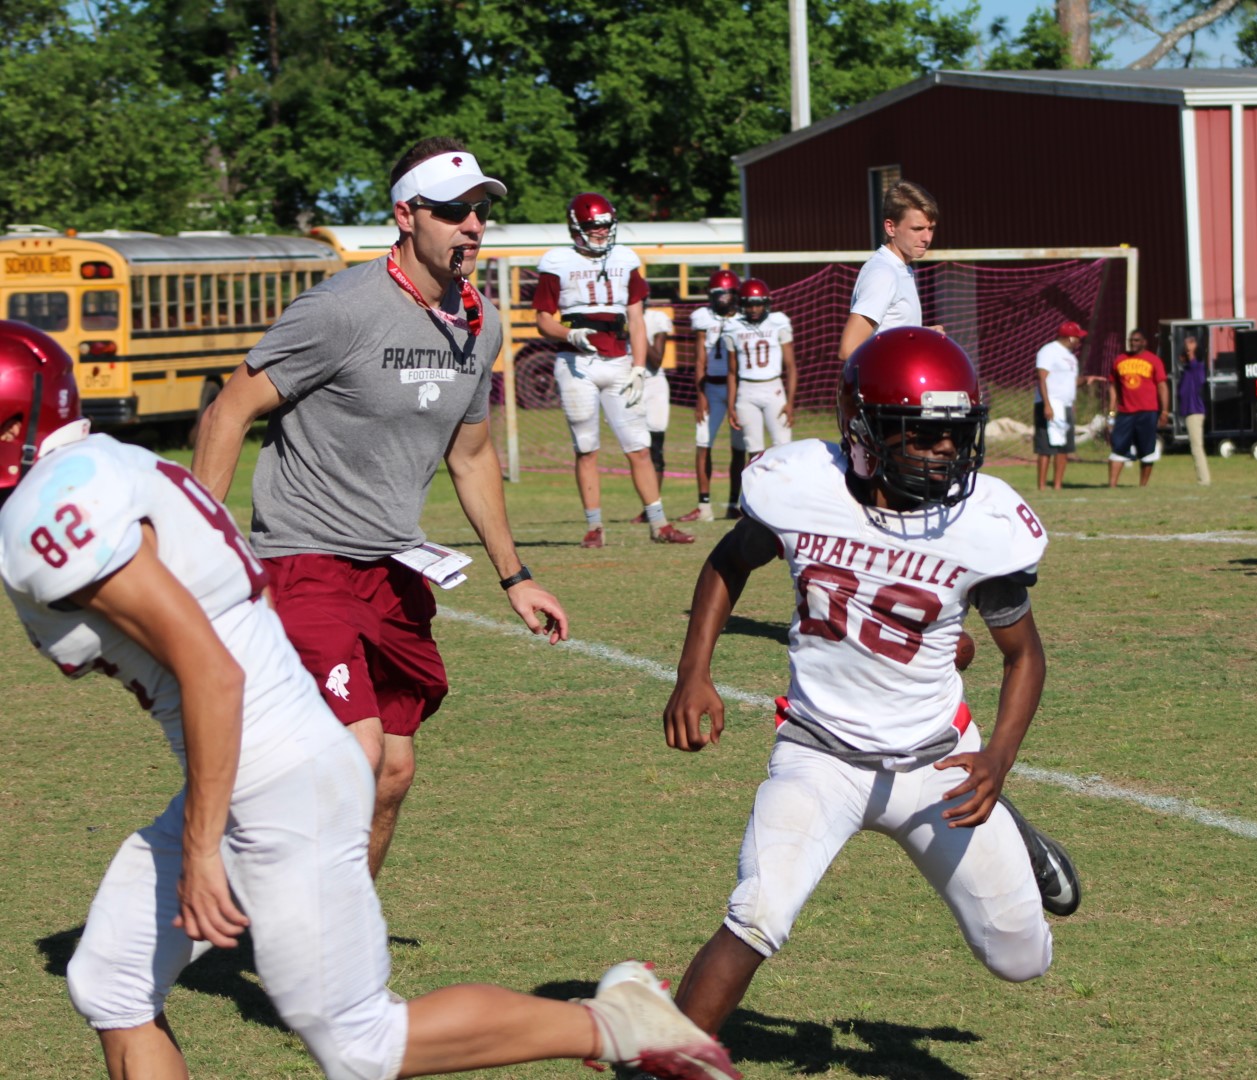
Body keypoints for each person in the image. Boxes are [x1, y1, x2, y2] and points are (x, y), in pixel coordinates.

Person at [0, 321, 739, 1080]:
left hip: (272, 777)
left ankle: (615, 1022)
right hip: (268, 758)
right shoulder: (111, 465)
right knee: (112, 982)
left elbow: (211, 671)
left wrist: (200, 846)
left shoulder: (51, 511)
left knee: (359, 1043)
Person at [661, 327, 1081, 1040]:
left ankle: (1018, 833)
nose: (948, 452)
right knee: (757, 913)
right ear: (863, 431)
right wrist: (692, 673)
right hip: (820, 755)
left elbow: (1025, 657)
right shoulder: (806, 487)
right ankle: (657, 1054)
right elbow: (729, 561)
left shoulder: (982, 524)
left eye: (956, 434)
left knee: (1021, 958)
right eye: (924, 434)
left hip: (936, 763)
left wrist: (997, 760)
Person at [193, 138, 569, 881]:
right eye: (454, 211)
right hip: (303, 558)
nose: (473, 225)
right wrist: (203, 552)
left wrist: (515, 575)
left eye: (481, 211)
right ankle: (286, 916)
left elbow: (470, 456)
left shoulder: (480, 325)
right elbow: (226, 413)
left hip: (394, 568)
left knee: (394, 769)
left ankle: (340, 937)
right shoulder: (338, 311)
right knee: (359, 751)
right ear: (406, 215)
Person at [534, 191, 694, 547]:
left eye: (606, 225)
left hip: (620, 362)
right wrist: (570, 333)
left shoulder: (625, 258)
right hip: (576, 363)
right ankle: (594, 526)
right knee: (586, 447)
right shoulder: (556, 261)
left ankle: (659, 524)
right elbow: (543, 320)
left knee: (639, 445)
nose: (602, 232)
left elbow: (636, 320)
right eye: (594, 225)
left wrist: (640, 367)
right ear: (576, 226)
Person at [838, 180, 944, 360]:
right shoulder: (883, 273)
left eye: (931, 229)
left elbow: (887, 334)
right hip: (884, 388)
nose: (926, 237)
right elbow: (848, 349)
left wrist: (919, 334)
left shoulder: (900, 268)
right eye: (917, 229)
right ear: (891, 227)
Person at [687, 269, 748, 521]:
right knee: (703, 444)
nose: (723, 298)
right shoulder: (702, 317)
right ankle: (704, 505)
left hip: (740, 388)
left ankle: (734, 502)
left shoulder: (746, 318)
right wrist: (700, 394)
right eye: (718, 294)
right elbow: (699, 359)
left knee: (739, 449)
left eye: (728, 294)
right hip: (711, 387)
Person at [724, 278, 796, 462]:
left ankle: (783, 490)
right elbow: (732, 372)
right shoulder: (733, 327)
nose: (754, 310)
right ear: (741, 305)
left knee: (783, 447)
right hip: (746, 391)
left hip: (773, 387)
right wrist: (731, 406)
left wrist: (790, 402)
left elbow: (791, 367)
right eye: (749, 305)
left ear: (766, 304)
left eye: (758, 305)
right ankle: (757, 490)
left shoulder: (778, 322)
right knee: (754, 451)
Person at [1105, 328, 1169, 488]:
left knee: (1147, 450)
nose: (1133, 343)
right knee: (1118, 447)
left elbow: (1162, 386)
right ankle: (1112, 485)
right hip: (1126, 412)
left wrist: (1165, 411)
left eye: (1137, 340)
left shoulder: (1153, 360)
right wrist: (1111, 413)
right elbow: (1113, 389)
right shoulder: (1120, 360)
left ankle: (1143, 485)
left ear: (1144, 342)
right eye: (1131, 340)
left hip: (1147, 412)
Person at [631, 299, 675, 523]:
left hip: (654, 385)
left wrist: (637, 330)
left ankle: (653, 509)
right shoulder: (618, 316)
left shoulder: (656, 319)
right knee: (636, 447)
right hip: (628, 384)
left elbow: (656, 360)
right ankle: (647, 506)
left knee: (655, 447)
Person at [1033, 321, 1086, 490]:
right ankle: (1042, 485)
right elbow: (1042, 377)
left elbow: (1068, 382)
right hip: (1050, 403)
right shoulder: (1049, 351)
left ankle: (1057, 485)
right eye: (1078, 337)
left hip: (1065, 405)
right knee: (1046, 446)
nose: (1079, 341)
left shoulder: (1070, 356)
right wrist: (1047, 404)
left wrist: (1086, 381)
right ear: (1070, 337)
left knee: (1064, 446)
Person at [1176, 332, 1212, 486]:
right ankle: (1203, 478)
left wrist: (1191, 351)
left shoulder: (1198, 367)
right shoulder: (1187, 370)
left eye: (1190, 349)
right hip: (1189, 410)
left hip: (1195, 411)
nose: (1186, 351)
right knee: (1195, 446)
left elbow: (1193, 358)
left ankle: (1204, 479)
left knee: (1196, 446)